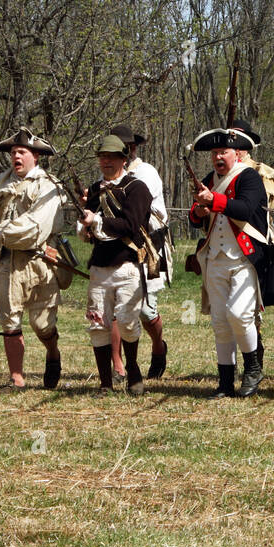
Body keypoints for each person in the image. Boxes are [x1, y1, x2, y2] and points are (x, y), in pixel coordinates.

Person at [0, 127, 65, 391]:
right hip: (8, 261)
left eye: (22, 152)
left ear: (35, 156)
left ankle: (53, 354)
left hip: (40, 262)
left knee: (42, 324)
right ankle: (17, 378)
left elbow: (34, 226)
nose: (16, 156)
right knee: (9, 319)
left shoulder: (49, 185)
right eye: (13, 152)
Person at [189, 127, 271, 398]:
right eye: (214, 153)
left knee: (239, 314)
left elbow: (245, 209)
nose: (218, 158)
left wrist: (214, 200)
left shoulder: (249, 177)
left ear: (236, 153)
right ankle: (225, 382)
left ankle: (253, 367)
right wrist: (200, 210)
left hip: (244, 257)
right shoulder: (209, 179)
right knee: (220, 320)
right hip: (215, 257)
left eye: (223, 152)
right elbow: (194, 216)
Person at [77, 134, 153, 394]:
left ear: (123, 159)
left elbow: (132, 226)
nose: (106, 161)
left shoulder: (137, 188)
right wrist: (85, 228)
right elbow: (90, 229)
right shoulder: (95, 190)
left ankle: (132, 369)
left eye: (112, 157)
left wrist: (96, 222)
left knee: (129, 322)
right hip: (100, 266)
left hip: (127, 265)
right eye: (102, 157)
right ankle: (105, 382)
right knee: (97, 323)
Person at [109, 124, 170, 381]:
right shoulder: (109, 174)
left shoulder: (146, 173)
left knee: (145, 311)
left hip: (147, 247)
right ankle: (118, 366)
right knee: (115, 307)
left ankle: (158, 346)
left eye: (128, 146)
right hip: (115, 245)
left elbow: (149, 214)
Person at [229, 118, 274, 367]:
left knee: (250, 307)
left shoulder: (260, 173)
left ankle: (253, 358)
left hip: (254, 244)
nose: (233, 145)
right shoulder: (218, 173)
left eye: (238, 140)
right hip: (224, 248)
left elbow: (264, 210)